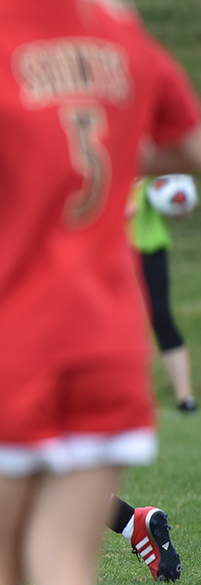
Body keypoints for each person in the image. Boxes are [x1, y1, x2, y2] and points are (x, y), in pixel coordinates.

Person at [0, 0, 201, 585]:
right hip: (106, 336)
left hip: (6, 336)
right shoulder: (120, 33)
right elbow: (189, 148)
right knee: (65, 566)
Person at [130, 175, 198, 413]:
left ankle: (185, 397)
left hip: (148, 245)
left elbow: (173, 189)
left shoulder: (147, 160)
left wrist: (181, 203)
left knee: (160, 315)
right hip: (105, 247)